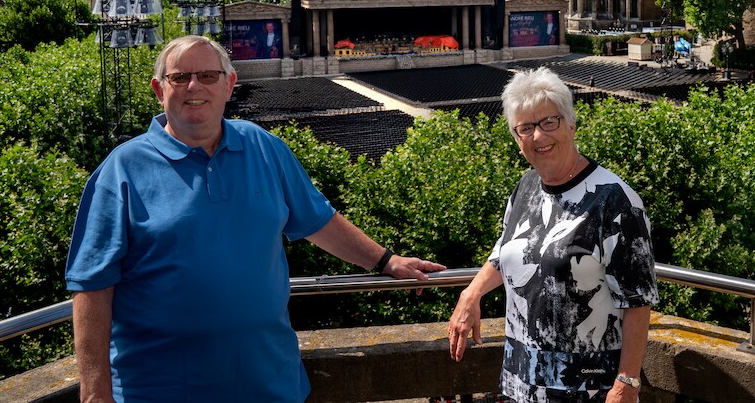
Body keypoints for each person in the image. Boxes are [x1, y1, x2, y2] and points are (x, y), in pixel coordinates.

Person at [65, 35, 445, 402]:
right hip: (160, 390)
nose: (194, 86)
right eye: (179, 77)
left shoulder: (263, 146)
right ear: (159, 90)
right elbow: (91, 285)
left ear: (229, 85)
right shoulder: (122, 170)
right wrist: (95, 394)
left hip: (268, 383)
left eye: (208, 75)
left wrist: (386, 261)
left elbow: (319, 221)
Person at [447, 67, 657, 403]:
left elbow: (637, 301)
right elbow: (507, 250)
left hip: (587, 389)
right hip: (521, 382)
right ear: (517, 140)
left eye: (549, 122)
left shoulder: (615, 201)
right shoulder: (526, 186)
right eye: (525, 128)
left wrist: (626, 383)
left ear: (571, 124)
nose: (538, 136)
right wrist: (471, 294)